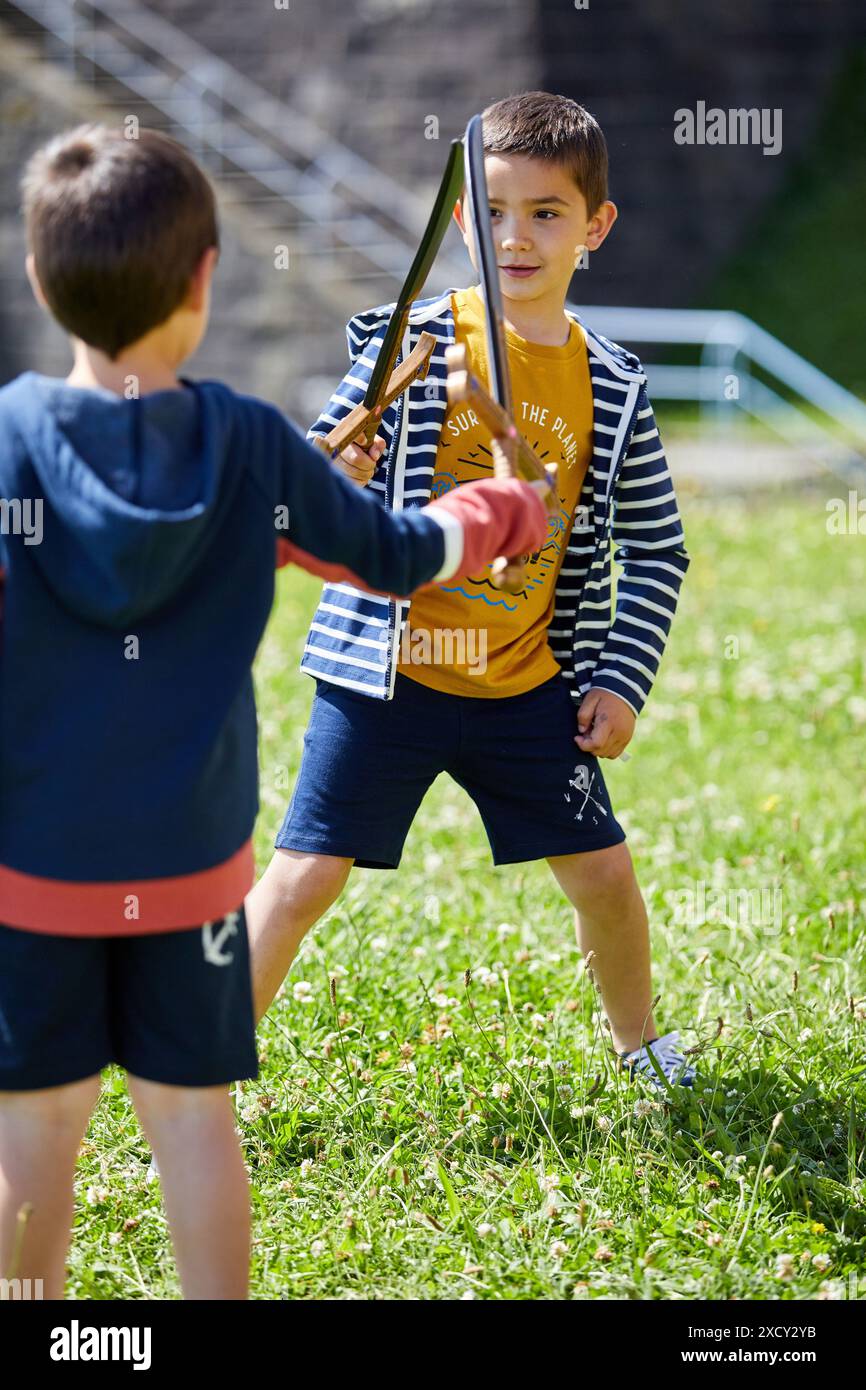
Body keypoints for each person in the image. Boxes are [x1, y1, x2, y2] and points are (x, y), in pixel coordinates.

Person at [0, 123, 548, 1299]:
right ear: (207, 276)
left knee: (36, 1123)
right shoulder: (251, 445)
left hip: (33, 871)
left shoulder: (9, 442)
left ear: (39, 280)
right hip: (193, 871)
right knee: (190, 1117)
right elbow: (401, 554)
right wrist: (506, 507)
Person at [247, 91, 697, 1093]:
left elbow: (656, 552)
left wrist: (619, 682)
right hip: (385, 676)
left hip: (525, 688)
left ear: (596, 225)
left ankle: (640, 1049)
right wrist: (337, 477)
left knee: (605, 875)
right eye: (491, 210)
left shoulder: (615, 388)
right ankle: (189, 1068)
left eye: (545, 211)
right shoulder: (410, 341)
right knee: (303, 876)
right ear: (459, 222)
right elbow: (308, 488)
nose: (516, 236)